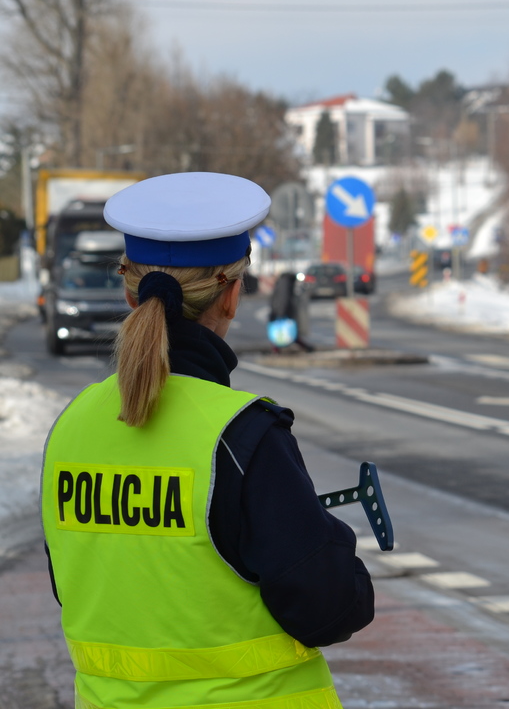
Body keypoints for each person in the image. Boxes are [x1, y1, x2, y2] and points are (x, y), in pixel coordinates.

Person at [41, 172, 374, 709]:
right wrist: (328, 541)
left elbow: (77, 584)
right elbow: (329, 608)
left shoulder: (72, 425)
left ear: (129, 290)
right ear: (233, 294)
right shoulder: (243, 435)